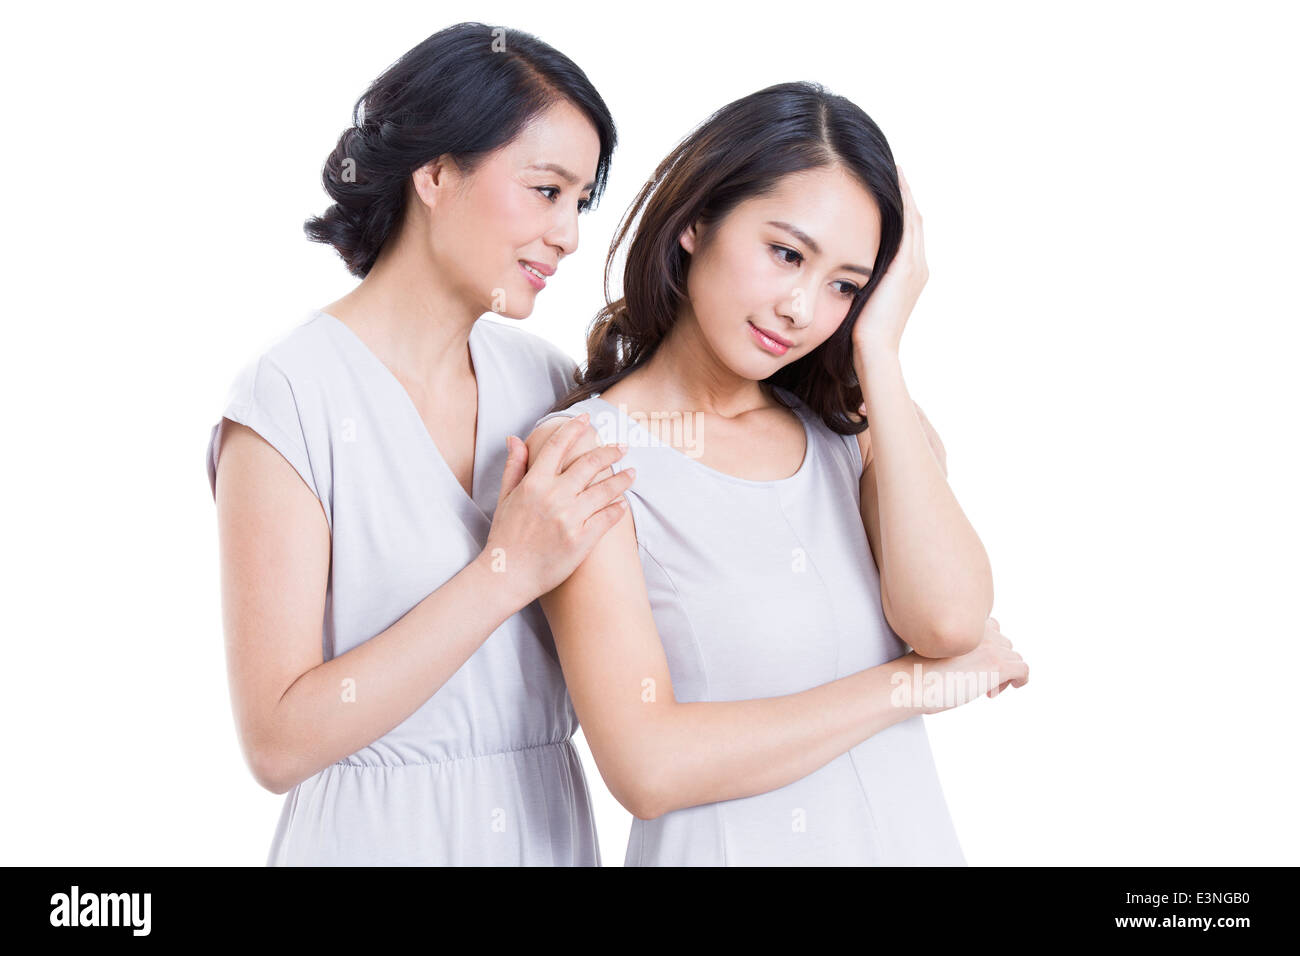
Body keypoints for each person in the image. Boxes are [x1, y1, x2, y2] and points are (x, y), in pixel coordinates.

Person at [527, 81, 1029, 866]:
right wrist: (906, 687)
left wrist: (881, 352)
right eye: (786, 253)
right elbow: (648, 766)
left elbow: (952, 623)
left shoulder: (851, 430)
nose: (801, 307)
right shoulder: (587, 455)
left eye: (845, 286)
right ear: (697, 221)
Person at [205, 22, 631, 865]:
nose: (570, 235)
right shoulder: (291, 397)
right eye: (546, 190)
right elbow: (278, 744)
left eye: (579, 203)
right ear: (434, 173)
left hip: (545, 828)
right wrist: (505, 569)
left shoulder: (544, 385)